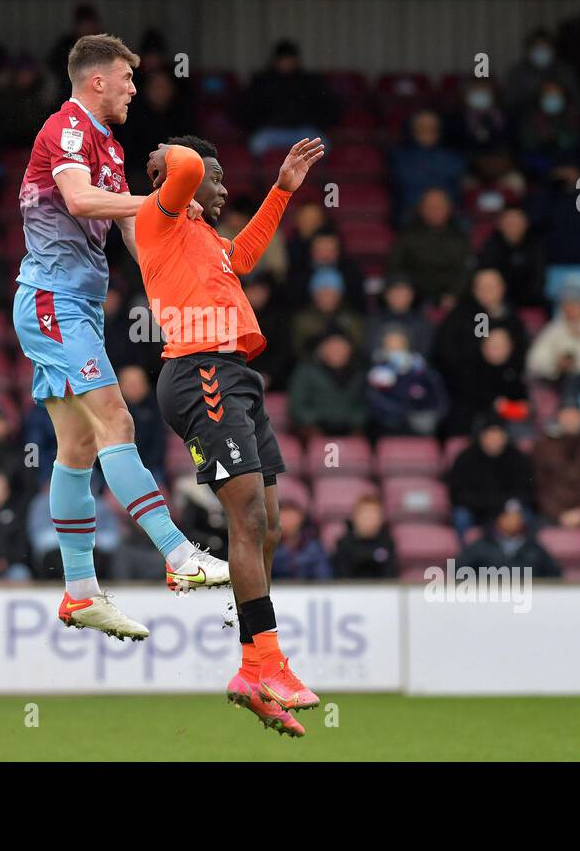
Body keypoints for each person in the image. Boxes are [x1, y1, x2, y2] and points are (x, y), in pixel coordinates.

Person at [9, 33, 228, 640]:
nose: (135, 88)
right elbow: (80, 201)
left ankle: (80, 594)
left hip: (74, 305)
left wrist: (166, 287)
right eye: (127, 79)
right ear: (96, 80)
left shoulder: (106, 142)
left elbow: (127, 227)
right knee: (119, 424)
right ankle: (180, 557)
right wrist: (159, 202)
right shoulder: (69, 129)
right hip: (54, 302)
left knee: (77, 448)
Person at [137, 135, 325, 734]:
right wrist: (170, 158)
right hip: (199, 373)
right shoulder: (161, 218)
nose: (221, 190)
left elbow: (242, 259)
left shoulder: (208, 241)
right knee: (245, 521)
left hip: (235, 375)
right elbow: (188, 165)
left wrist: (282, 191)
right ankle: (269, 662)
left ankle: (251, 668)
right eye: (215, 182)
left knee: (268, 524)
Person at [447, 414, 535, 537]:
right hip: (475, 510)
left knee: (526, 516)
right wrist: (489, 505)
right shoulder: (465, 458)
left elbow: (525, 491)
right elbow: (457, 494)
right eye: (490, 434)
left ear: (505, 436)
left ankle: (520, 555)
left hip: (506, 509)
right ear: (482, 436)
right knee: (461, 516)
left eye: (498, 434)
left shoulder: (517, 458)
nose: (495, 438)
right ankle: (463, 555)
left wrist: (507, 509)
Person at [532, 399, 580, 532]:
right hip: (551, 513)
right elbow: (539, 486)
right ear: (559, 418)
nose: (570, 420)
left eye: (574, 416)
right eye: (566, 416)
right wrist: (559, 513)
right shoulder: (543, 447)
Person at [364, 328, 447, 436]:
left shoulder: (423, 369)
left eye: (399, 345)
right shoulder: (377, 372)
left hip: (424, 427)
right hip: (389, 427)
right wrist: (406, 415)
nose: (396, 349)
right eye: (391, 346)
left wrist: (432, 415)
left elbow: (439, 397)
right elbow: (375, 400)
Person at [455, 499, 561, 578]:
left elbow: (554, 577)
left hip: (527, 602)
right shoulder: (481, 547)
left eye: (517, 516)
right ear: (499, 518)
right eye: (508, 516)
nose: (513, 520)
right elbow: (459, 572)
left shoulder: (535, 549)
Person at [288, 332, 367, 437]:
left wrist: (351, 421)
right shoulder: (305, 372)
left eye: (341, 347)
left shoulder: (359, 374)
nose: (336, 351)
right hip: (313, 431)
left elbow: (366, 406)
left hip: (352, 430)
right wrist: (321, 419)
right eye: (331, 347)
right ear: (321, 350)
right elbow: (297, 408)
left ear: (350, 350)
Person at [331, 493, 398, 579]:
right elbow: (342, 577)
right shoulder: (343, 544)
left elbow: (391, 576)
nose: (369, 518)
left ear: (381, 518)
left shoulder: (388, 543)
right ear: (355, 516)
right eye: (365, 513)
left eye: (374, 514)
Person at [270, 500, 331, 581]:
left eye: (291, 517)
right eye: (284, 516)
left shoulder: (313, 548)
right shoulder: (268, 547)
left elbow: (324, 577)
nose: (287, 521)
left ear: (301, 518)